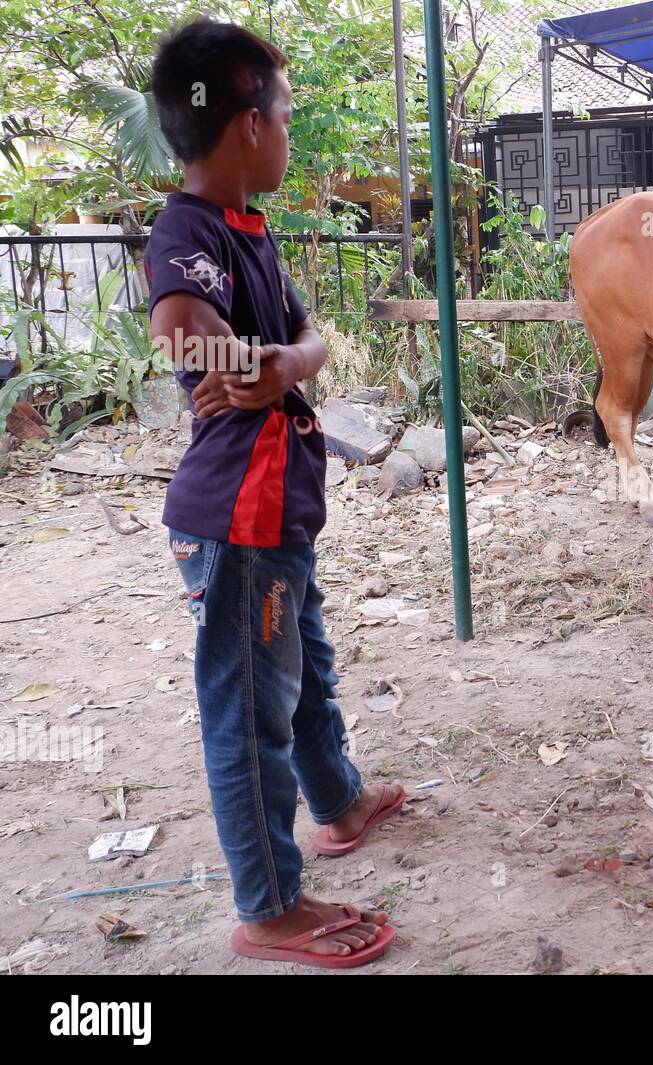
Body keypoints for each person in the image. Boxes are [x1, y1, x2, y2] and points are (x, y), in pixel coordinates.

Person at [146, 17, 404, 968]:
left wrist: (278, 362)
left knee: (305, 673)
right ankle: (268, 906)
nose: (290, 133)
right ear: (248, 124)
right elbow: (178, 325)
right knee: (251, 711)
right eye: (286, 113)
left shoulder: (246, 229)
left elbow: (311, 337)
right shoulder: (185, 234)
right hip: (237, 520)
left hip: (275, 514)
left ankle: (338, 802)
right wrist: (236, 358)